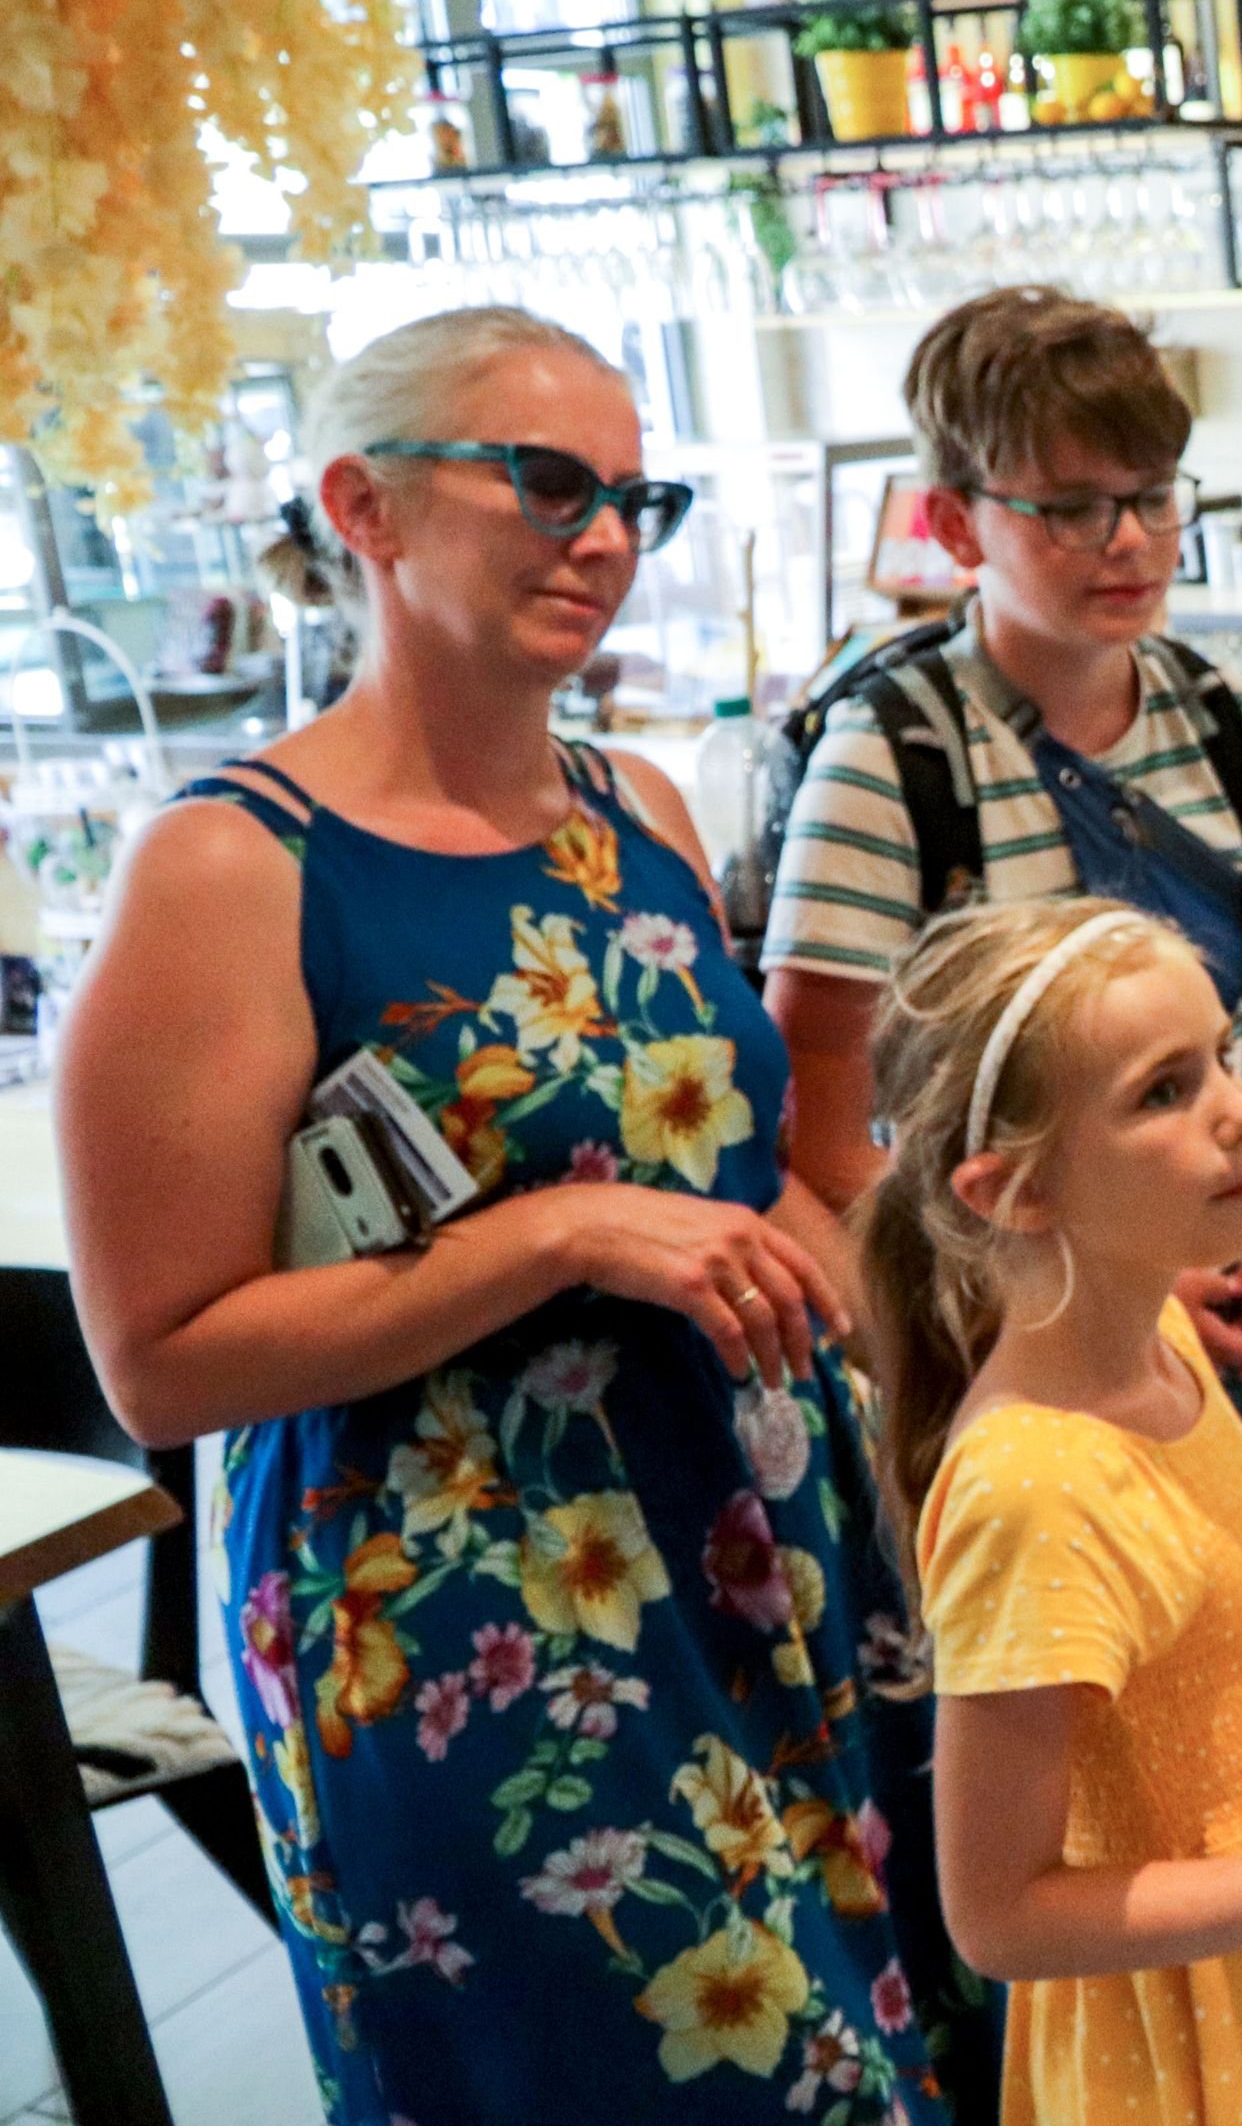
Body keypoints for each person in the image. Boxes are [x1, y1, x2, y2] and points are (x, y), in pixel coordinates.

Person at [60, 305, 986, 2121]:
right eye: (550, 483)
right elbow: (159, 1363)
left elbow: (750, 1185)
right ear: (367, 508)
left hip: (769, 1545)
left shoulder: (629, 809)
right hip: (478, 1634)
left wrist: (974, 1365)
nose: (609, 538)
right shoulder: (235, 868)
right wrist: (555, 1237)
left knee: (892, 2049)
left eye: (640, 494)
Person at [764, 285, 1242, 1582]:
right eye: (1073, 507)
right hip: (1031, 1372)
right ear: (955, 523)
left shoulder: (1225, 721)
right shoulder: (895, 760)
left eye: (1157, 495)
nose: (1132, 540)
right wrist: (1078, 1295)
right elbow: (821, 1136)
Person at [863, 899, 1242, 2126]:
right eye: (1163, 1091)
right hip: (1195, 2029)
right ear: (1013, 1191)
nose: (1236, 1107)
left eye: (1221, 1057)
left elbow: (1233, 1647)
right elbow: (999, 1914)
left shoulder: (1164, 1334)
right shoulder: (1031, 1495)